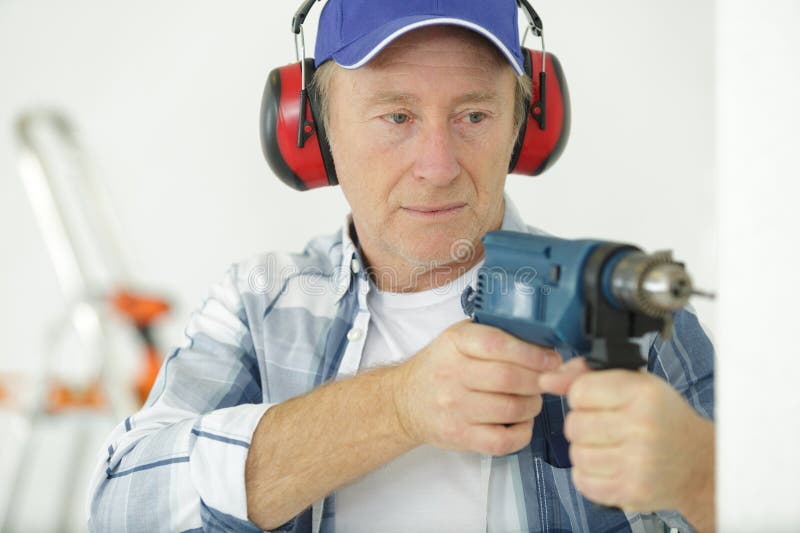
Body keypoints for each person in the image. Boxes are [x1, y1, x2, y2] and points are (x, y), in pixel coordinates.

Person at [87, 1, 715, 532]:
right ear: (314, 130)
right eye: (397, 116)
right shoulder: (261, 304)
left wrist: (702, 476)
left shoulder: (623, 300)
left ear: (526, 126)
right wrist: (398, 406)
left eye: (474, 115)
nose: (438, 166)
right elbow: (120, 508)